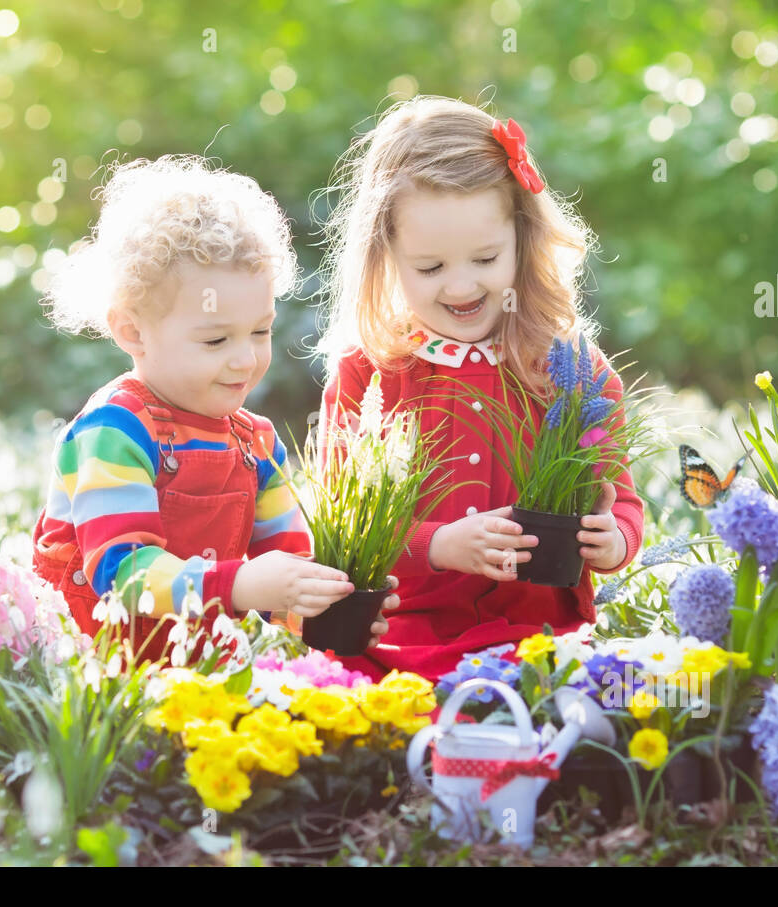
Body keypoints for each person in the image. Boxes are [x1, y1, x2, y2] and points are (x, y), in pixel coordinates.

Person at [313, 97, 644, 682]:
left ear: (523, 238)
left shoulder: (568, 368)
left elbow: (619, 496)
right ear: (385, 255)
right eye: (430, 268)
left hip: (542, 641)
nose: (462, 286)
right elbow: (344, 533)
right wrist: (438, 544)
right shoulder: (370, 374)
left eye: (486, 258)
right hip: (405, 644)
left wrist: (613, 538)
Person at [32, 154, 398, 660]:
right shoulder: (114, 430)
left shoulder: (255, 443)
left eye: (260, 331)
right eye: (216, 340)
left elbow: (285, 564)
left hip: (198, 672)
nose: (245, 359)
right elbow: (121, 572)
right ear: (133, 331)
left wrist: (324, 608)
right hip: (95, 674)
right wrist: (240, 584)